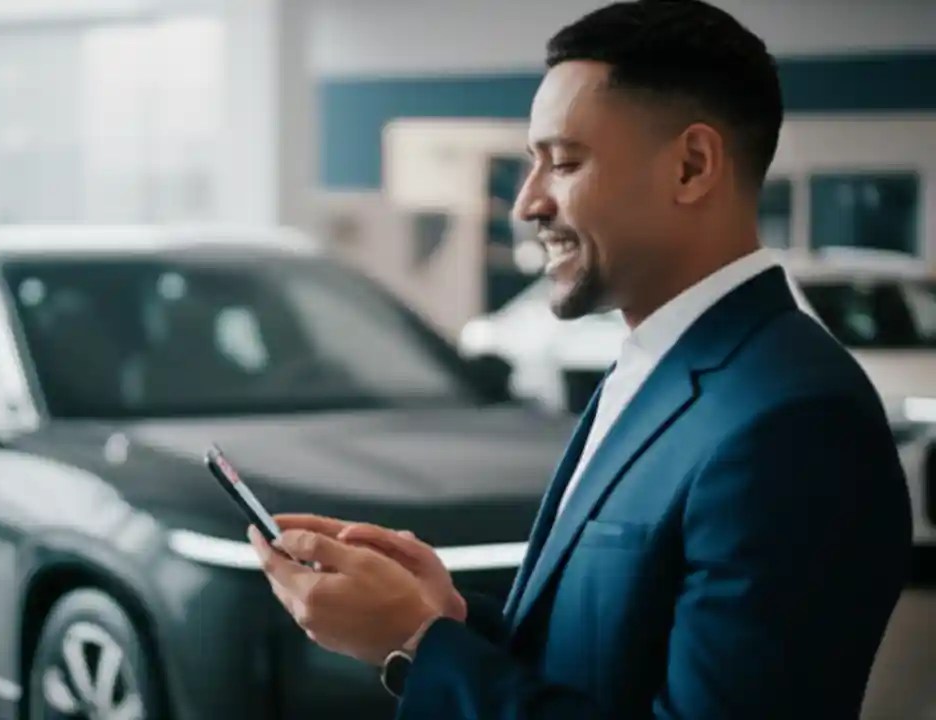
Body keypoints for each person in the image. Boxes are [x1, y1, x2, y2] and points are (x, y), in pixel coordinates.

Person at [247, 1, 913, 717]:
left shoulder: (792, 421)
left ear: (691, 166)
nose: (528, 203)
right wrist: (451, 622)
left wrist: (416, 644)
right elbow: (603, 665)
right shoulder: (662, 362)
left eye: (563, 162)